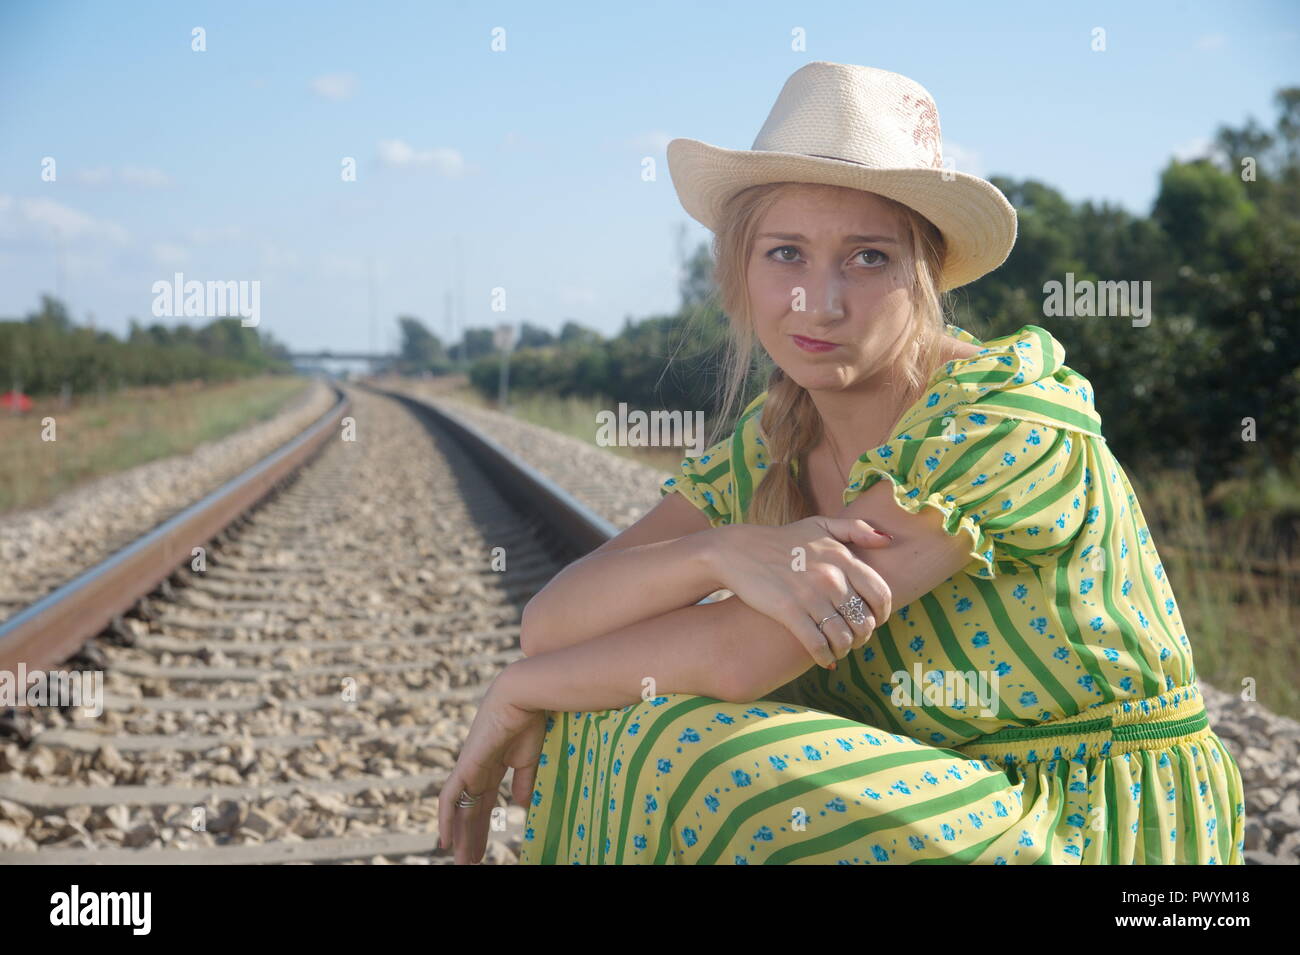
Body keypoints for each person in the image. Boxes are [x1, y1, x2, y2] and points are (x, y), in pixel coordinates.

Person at [437, 61, 1246, 865]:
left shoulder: (997, 419)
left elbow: (741, 651)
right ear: (740, 272)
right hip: (941, 791)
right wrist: (715, 550)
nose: (818, 303)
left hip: (1089, 822)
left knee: (687, 756)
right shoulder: (774, 439)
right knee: (609, 715)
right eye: (785, 253)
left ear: (924, 273)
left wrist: (518, 688)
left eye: (867, 258)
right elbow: (552, 621)